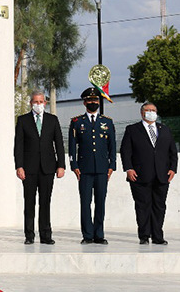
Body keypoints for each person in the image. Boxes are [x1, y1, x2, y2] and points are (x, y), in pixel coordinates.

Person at [120, 102, 178, 245]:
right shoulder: (132, 129)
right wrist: (129, 168)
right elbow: (125, 151)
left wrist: (173, 168)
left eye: (153, 110)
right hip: (139, 175)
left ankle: (158, 236)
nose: (151, 112)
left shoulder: (164, 129)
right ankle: (144, 236)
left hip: (162, 175)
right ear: (142, 112)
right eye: (148, 110)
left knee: (159, 206)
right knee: (142, 206)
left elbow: (172, 151)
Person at [14, 90, 65, 245]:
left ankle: (46, 235)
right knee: (29, 203)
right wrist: (19, 166)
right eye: (35, 102)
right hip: (28, 169)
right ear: (31, 103)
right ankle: (29, 235)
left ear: (45, 103)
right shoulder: (23, 120)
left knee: (45, 202)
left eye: (41, 102)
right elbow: (18, 146)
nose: (38, 104)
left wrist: (61, 165)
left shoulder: (52, 120)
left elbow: (59, 144)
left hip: (48, 168)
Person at [68, 87, 116, 244]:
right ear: (84, 103)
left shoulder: (107, 122)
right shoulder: (76, 122)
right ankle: (87, 235)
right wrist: (74, 165)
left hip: (102, 168)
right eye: (90, 100)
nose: (93, 103)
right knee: (85, 202)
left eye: (95, 100)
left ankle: (99, 234)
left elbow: (112, 145)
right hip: (84, 169)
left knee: (100, 201)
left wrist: (112, 165)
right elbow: (72, 146)